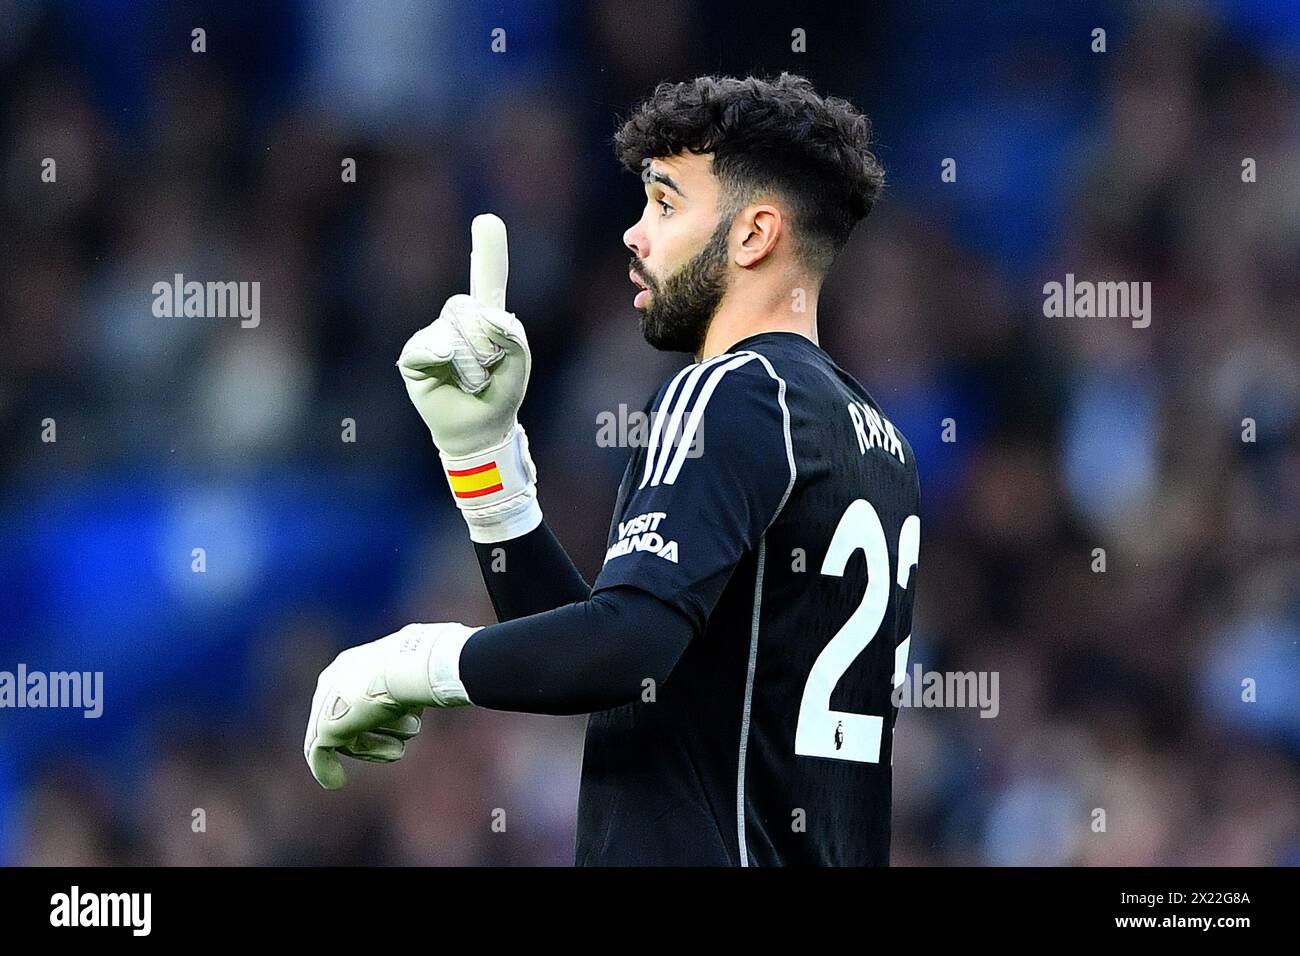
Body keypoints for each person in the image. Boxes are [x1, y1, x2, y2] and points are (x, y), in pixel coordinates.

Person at [304, 73, 921, 866]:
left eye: (665, 204)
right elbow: (627, 680)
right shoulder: (879, 443)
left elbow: (620, 649)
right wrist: (485, 464)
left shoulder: (728, 393)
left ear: (753, 234)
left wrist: (413, 664)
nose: (634, 234)